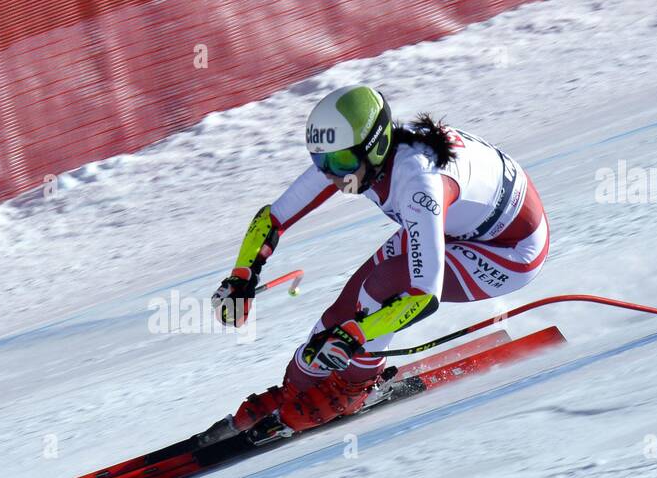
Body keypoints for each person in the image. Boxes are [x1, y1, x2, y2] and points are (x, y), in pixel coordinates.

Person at [211, 84, 549, 433]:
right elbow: (273, 218)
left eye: (339, 163)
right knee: (343, 307)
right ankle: (298, 387)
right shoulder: (353, 158)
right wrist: (241, 276)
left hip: (508, 249)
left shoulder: (418, 185)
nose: (331, 174)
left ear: (376, 147)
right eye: (320, 161)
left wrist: (355, 336)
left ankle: (355, 386)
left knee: (382, 285)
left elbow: (424, 295)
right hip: (462, 226)